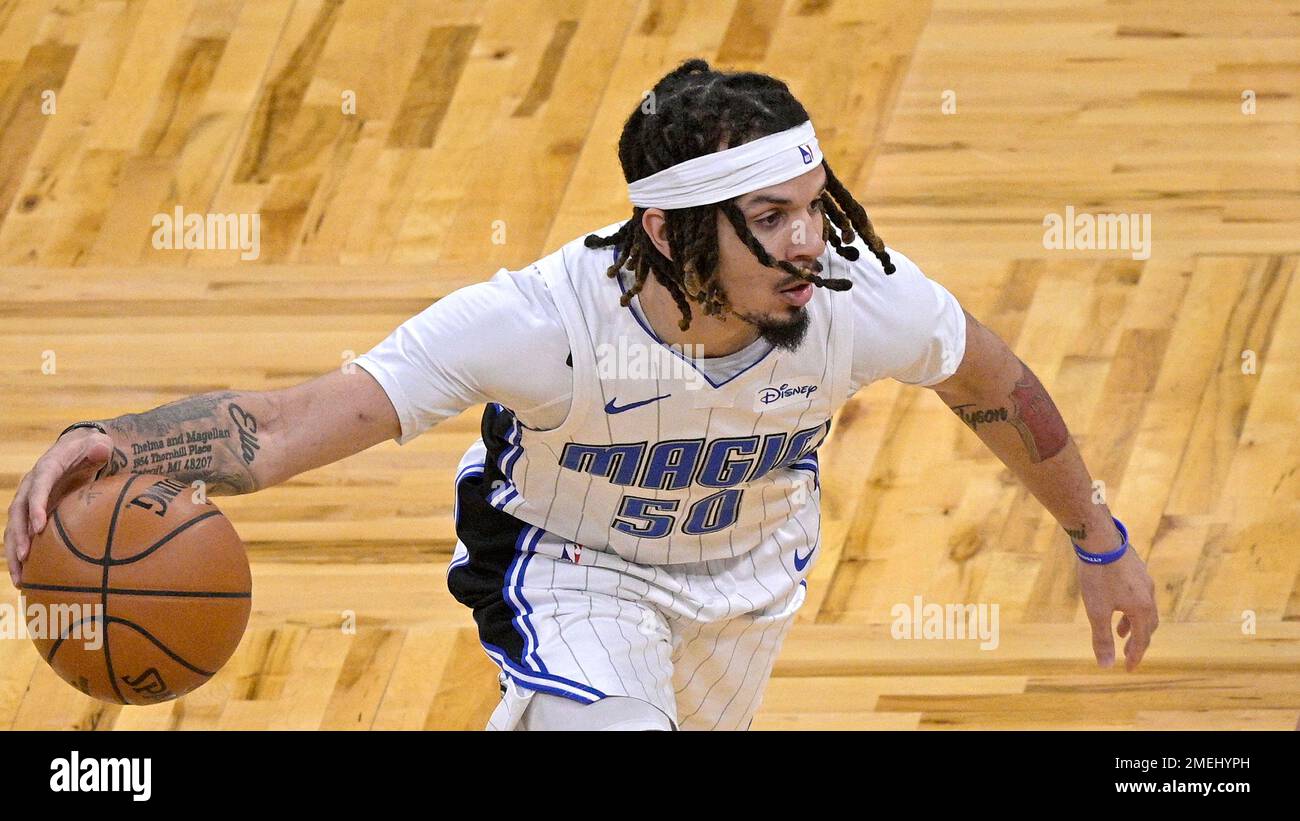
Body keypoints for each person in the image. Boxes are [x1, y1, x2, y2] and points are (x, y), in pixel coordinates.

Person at [4, 59, 1158, 731]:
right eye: (769, 219)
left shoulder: (856, 296)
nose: (808, 241)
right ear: (668, 228)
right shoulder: (540, 326)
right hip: (573, 568)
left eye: (815, 202)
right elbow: (303, 416)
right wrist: (115, 439)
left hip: (749, 582)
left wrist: (1098, 536)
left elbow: (996, 385)